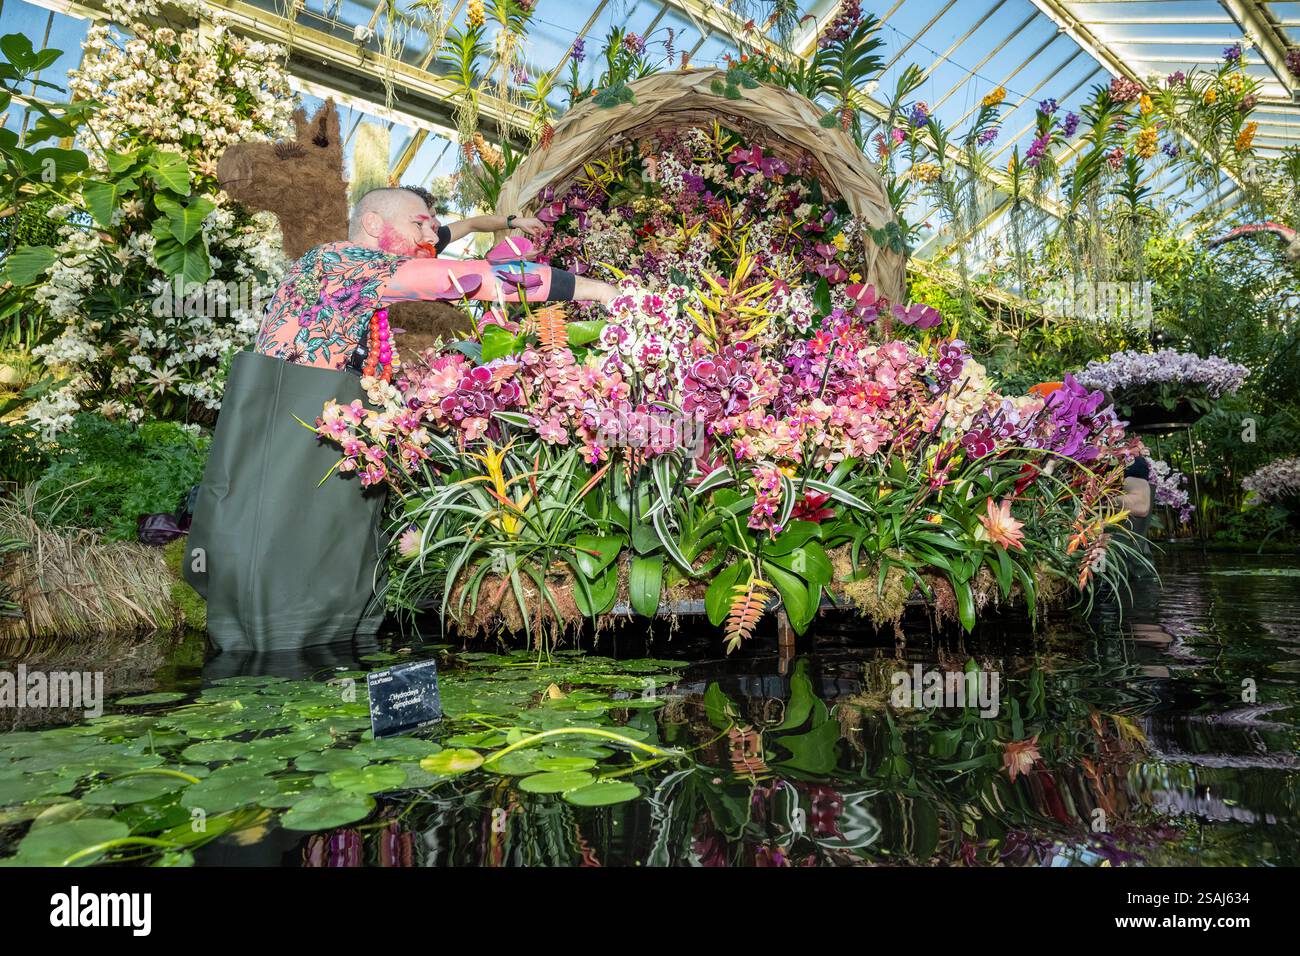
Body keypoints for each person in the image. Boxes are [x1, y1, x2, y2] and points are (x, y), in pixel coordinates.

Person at [185, 187, 617, 654]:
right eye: (420, 224)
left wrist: (503, 223)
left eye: (433, 225)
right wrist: (602, 291)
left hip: (324, 437)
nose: (431, 235)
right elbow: (476, 278)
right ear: (373, 225)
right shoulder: (343, 264)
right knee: (281, 559)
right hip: (290, 446)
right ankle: (275, 656)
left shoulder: (365, 270)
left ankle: (326, 656)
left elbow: (456, 232)